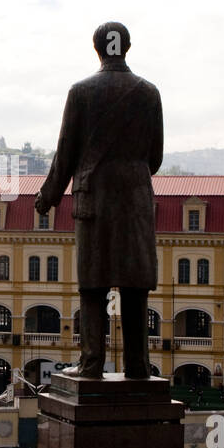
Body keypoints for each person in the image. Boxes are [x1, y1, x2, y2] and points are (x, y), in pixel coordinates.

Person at [35, 21, 164, 380]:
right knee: (135, 284)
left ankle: (92, 363)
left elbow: (66, 153)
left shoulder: (81, 92)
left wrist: (48, 196)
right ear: (127, 46)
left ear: (97, 48)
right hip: (136, 196)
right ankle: (137, 365)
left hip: (94, 196)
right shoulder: (149, 93)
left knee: (94, 283)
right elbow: (155, 156)